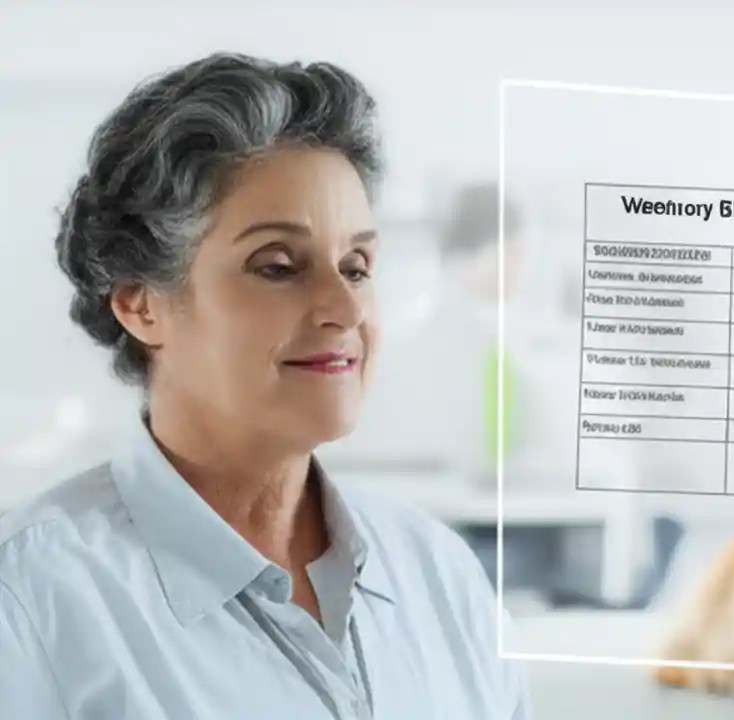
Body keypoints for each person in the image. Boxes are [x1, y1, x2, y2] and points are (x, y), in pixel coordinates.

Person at [0, 53, 532, 719]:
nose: (343, 308)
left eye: (357, 265)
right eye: (278, 267)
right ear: (142, 304)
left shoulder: (441, 576)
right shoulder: (30, 600)